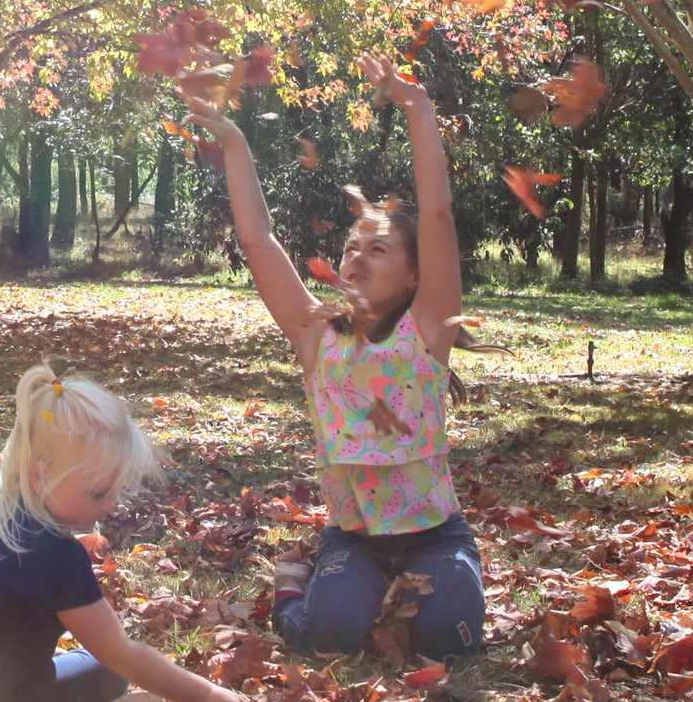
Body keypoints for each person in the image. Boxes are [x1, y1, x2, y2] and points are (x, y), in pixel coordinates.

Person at [181, 54, 485, 660]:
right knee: (329, 639)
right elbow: (258, 240)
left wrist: (416, 107)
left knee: (449, 644)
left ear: (414, 273)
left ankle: (418, 600)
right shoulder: (315, 336)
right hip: (354, 537)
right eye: (351, 247)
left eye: (378, 248)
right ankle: (296, 591)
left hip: (436, 538)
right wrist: (236, 145)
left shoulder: (429, 329)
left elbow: (439, 214)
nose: (356, 257)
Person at [0, 365, 256, 702]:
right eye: (96, 493)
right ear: (41, 476)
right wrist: (207, 695)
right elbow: (120, 654)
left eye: (115, 490)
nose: (109, 506)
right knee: (112, 672)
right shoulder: (54, 557)